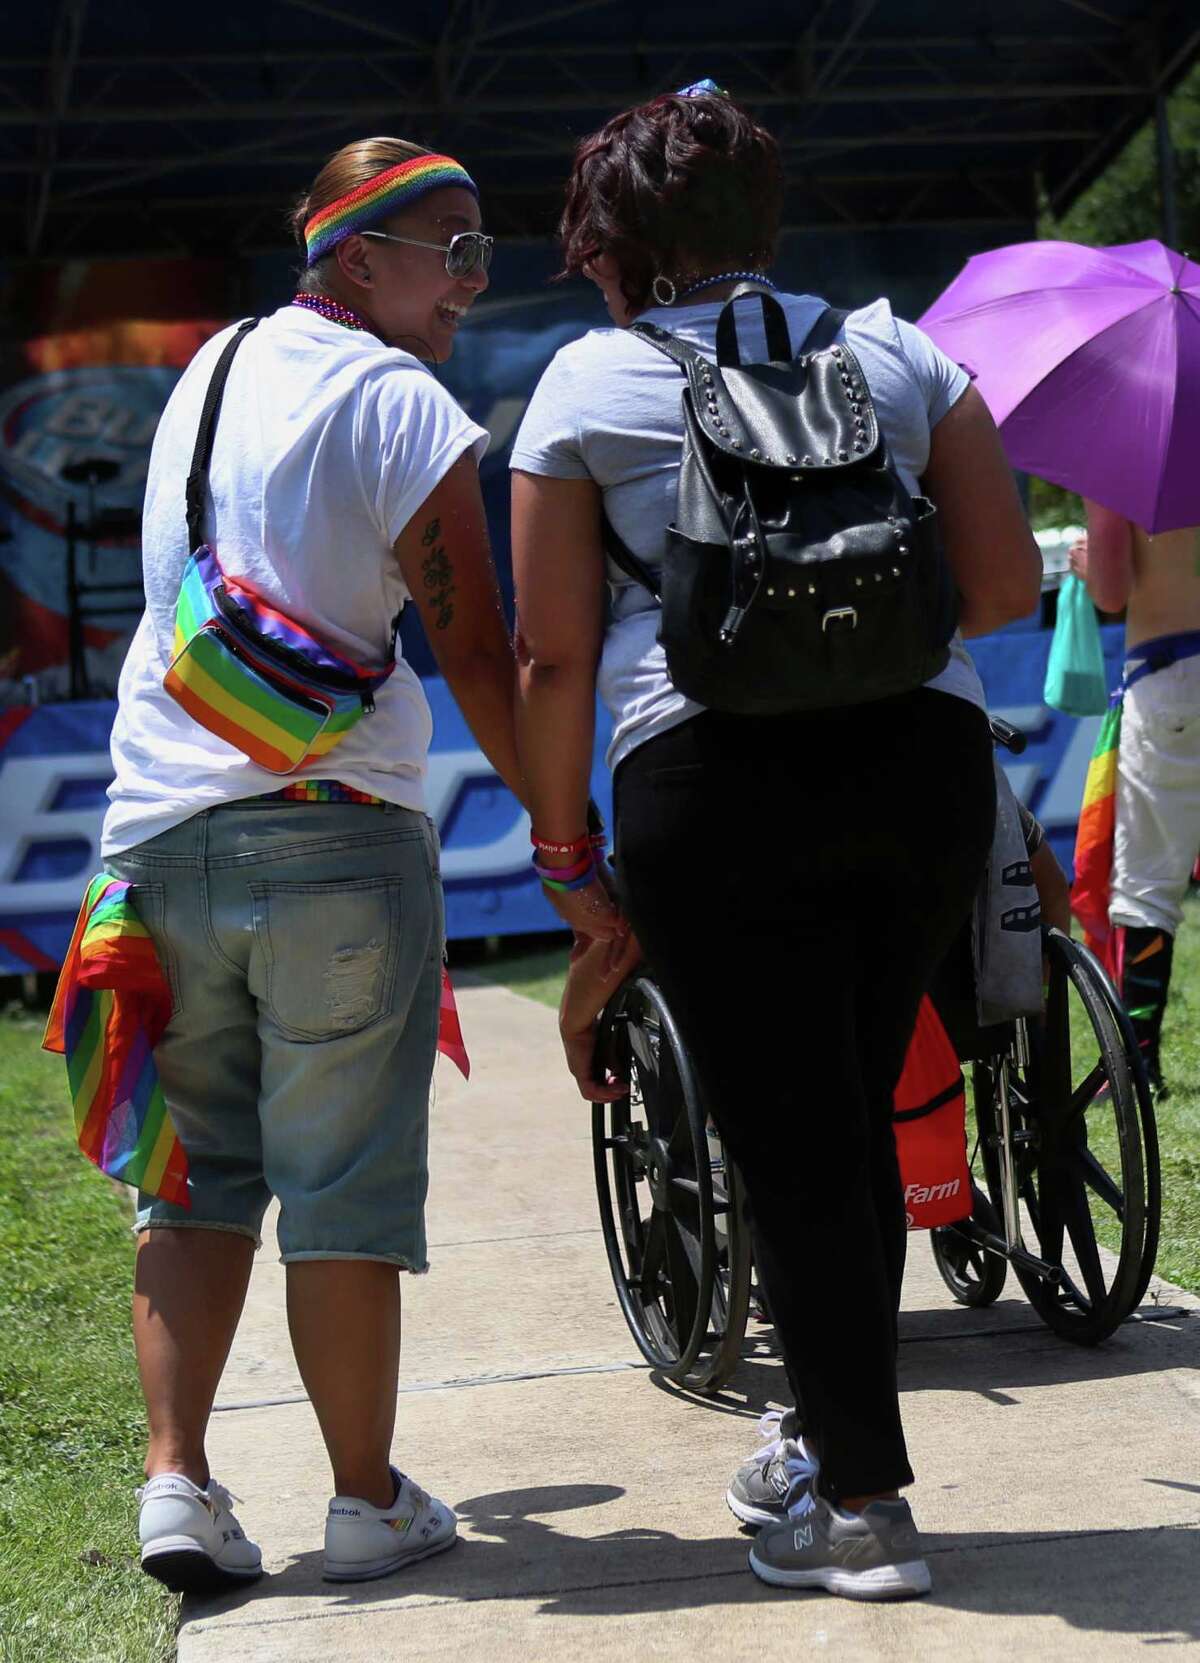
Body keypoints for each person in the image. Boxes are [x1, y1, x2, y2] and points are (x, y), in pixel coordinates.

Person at [510, 87, 1041, 1601]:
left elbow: (553, 655)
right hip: (917, 762)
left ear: (613, 247)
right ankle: (826, 1433)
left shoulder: (586, 386)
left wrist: (566, 861)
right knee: (846, 1123)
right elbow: (1000, 588)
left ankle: (865, 1509)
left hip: (704, 779)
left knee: (791, 1142)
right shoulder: (899, 352)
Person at [104, 137, 520, 1592]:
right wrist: (563, 828)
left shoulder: (213, 365)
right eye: (452, 250)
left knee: (195, 1173)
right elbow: (469, 638)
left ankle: (178, 1483)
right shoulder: (398, 395)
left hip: (156, 834)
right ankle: (362, 1498)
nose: (474, 281)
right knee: (341, 1182)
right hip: (334, 826)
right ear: (358, 256)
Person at [1070, 501, 1200, 1097]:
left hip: (1170, 678)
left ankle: (1139, 1063)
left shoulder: (1130, 458)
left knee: (1147, 884)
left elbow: (1113, 592)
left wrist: (1087, 565)